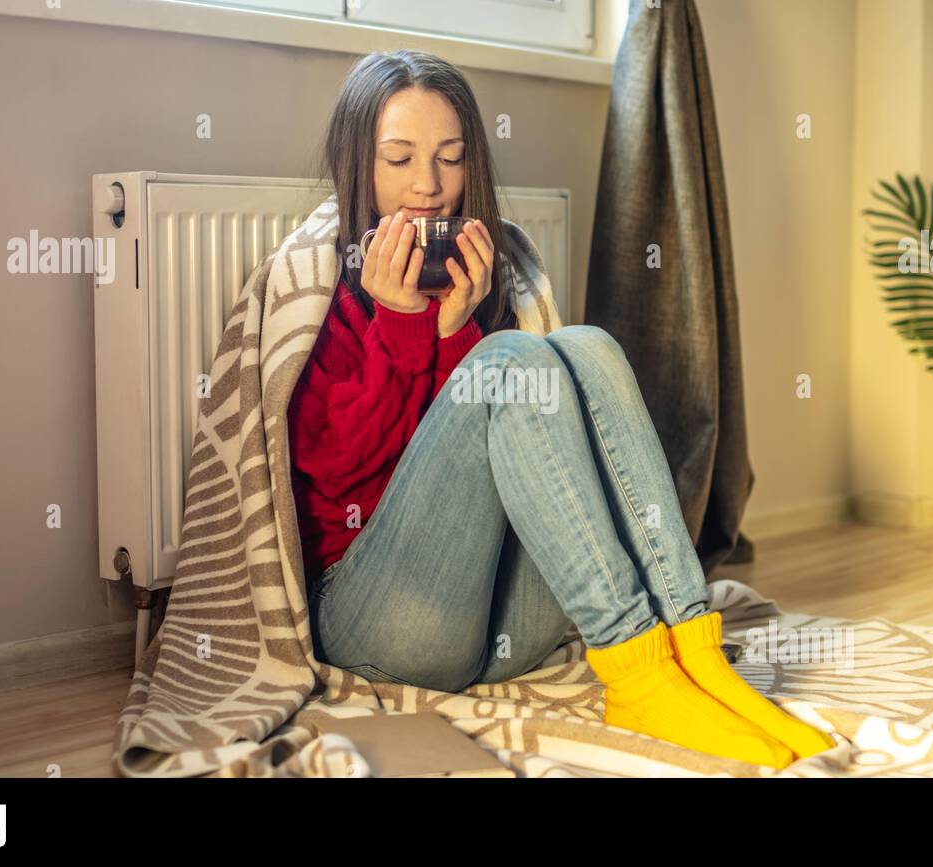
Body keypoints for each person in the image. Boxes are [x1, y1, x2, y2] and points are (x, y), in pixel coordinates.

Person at [288, 49, 834, 768]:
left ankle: (687, 653)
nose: (429, 186)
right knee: (512, 365)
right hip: (379, 624)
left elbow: (487, 473)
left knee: (586, 346)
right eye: (400, 159)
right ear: (359, 163)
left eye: (450, 158)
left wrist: (453, 331)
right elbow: (335, 478)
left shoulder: (478, 279)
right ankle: (642, 680)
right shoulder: (317, 289)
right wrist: (402, 326)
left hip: (490, 629)